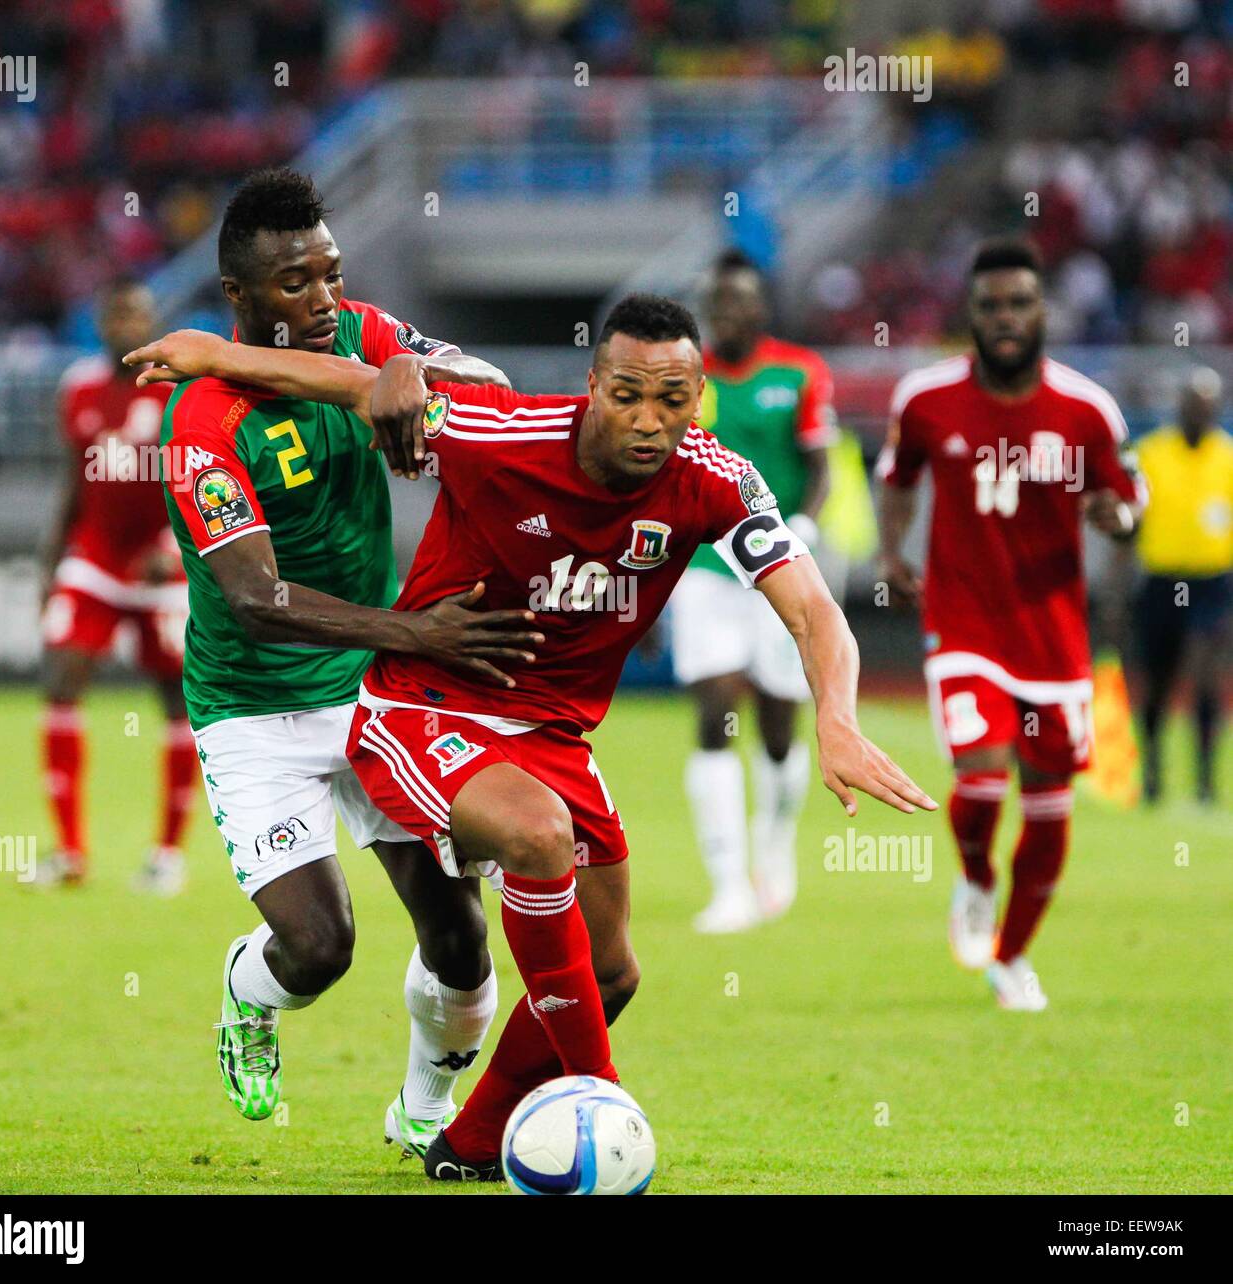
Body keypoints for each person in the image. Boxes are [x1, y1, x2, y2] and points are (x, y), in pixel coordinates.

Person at [134, 292, 937, 1182]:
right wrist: (218, 354)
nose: (648, 421)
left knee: (613, 969)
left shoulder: (719, 480)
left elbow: (817, 610)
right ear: (591, 386)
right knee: (535, 836)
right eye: (627, 394)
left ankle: (467, 1144)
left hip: (553, 736)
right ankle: (601, 1097)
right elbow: (355, 385)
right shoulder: (497, 431)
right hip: (424, 707)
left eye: (673, 400)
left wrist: (837, 717)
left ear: (699, 398)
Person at [137, 166, 527, 1156]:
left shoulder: (366, 331)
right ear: (238, 296)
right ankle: (246, 990)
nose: (323, 302)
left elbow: (485, 384)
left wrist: (410, 377)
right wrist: (420, 634)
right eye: (294, 285)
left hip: (374, 697)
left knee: (462, 944)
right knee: (320, 949)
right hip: (254, 704)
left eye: (331, 275)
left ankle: (425, 1118)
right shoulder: (199, 426)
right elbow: (256, 601)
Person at [877, 238, 1144, 1012]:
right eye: (990, 304)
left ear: (1042, 311)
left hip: (1053, 634)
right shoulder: (926, 400)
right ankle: (976, 877)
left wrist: (1115, 518)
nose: (1004, 317)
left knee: (1050, 808)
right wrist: (893, 553)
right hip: (962, 621)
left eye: (1018, 303)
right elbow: (897, 479)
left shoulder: (1087, 410)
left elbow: (1130, 504)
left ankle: (1013, 956)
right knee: (984, 777)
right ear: (971, 313)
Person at [670, 249, 837, 932]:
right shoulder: (686, 378)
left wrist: (803, 524)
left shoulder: (799, 372)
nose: (727, 315)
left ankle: (775, 840)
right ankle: (729, 884)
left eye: (739, 302)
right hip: (705, 567)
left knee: (775, 724)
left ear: (761, 308)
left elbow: (821, 466)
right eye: (717, 305)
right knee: (715, 713)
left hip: (777, 566)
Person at [37, 278, 193, 895]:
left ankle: (166, 855)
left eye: (138, 315)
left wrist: (177, 546)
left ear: (152, 323)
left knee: (175, 701)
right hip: (96, 561)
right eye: (117, 313)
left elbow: (205, 478)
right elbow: (72, 484)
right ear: (101, 321)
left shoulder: (178, 389)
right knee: (60, 678)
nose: (127, 325)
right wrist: (51, 565)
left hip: (164, 571)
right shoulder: (76, 388)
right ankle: (71, 851)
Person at [1132, 367, 1232, 805]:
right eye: (1195, 405)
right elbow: (1129, 526)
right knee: (1158, 679)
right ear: (1181, 407)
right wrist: (1117, 590)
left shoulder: (1228, 457)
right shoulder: (1152, 454)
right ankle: (1152, 771)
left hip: (1212, 583)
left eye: (1209, 407)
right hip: (1162, 582)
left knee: (1207, 676)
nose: (1201, 414)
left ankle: (1206, 782)